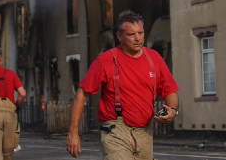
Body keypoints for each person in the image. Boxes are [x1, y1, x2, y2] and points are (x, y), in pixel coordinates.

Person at [66, 10, 179, 160]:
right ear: (119, 36)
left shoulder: (154, 58)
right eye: (131, 34)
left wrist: (172, 110)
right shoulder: (105, 60)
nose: (138, 38)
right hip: (116, 131)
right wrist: (73, 132)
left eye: (140, 33)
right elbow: (81, 94)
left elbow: (170, 90)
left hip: (145, 132)